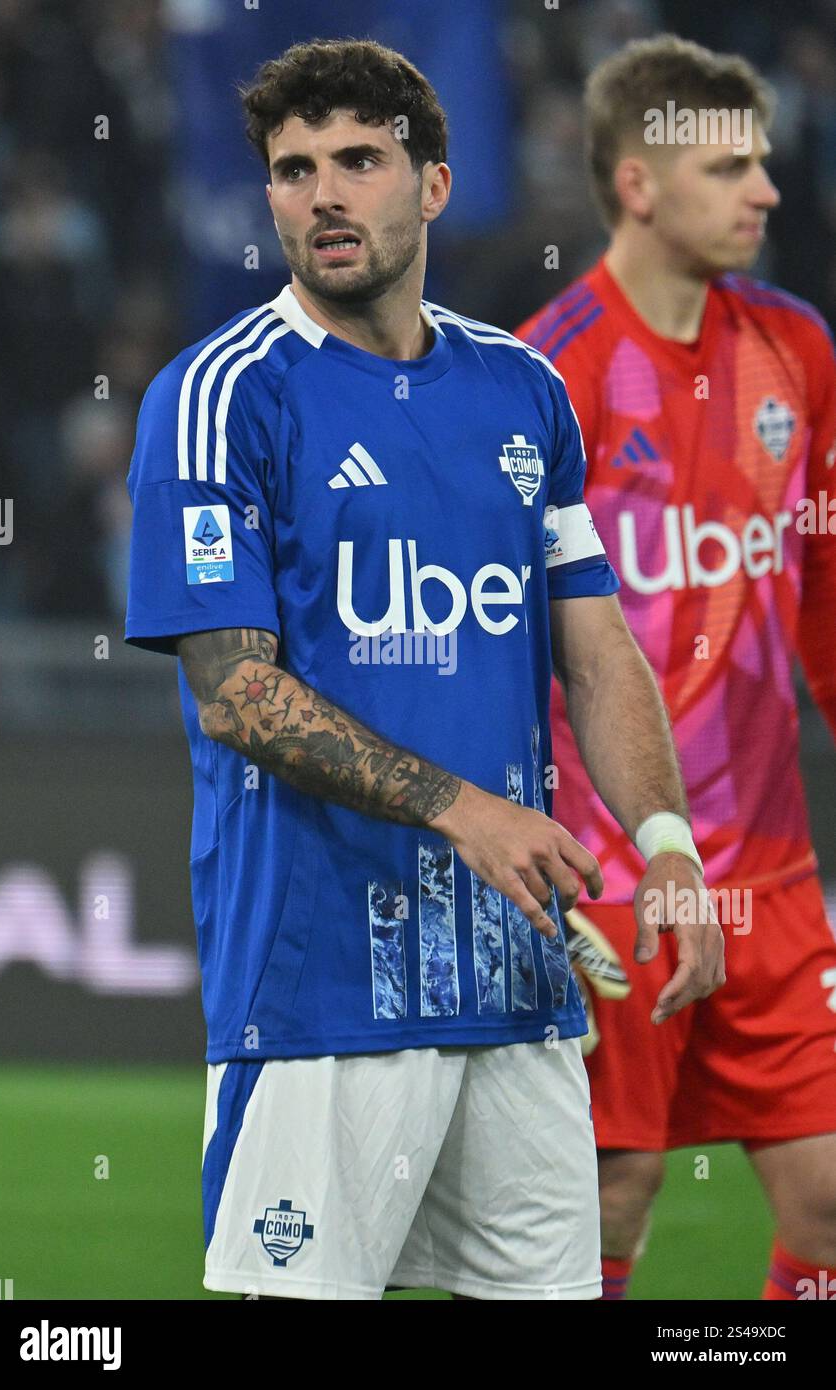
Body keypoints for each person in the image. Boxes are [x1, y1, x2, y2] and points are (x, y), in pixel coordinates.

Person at [124, 36, 723, 1302]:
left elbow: (593, 642)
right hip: (319, 992)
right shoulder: (218, 395)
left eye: (358, 160)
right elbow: (235, 688)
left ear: (433, 185)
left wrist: (664, 837)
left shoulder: (522, 391)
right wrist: (465, 809)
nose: (322, 195)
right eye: (293, 171)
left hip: (514, 985)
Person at [516, 33, 836, 1302]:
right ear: (638, 185)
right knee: (612, 1187)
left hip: (772, 867)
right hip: (614, 865)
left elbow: (820, 578)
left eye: (762, 165)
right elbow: (508, 620)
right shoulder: (548, 372)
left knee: (823, 1192)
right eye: (728, 168)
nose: (764, 191)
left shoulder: (798, 351)